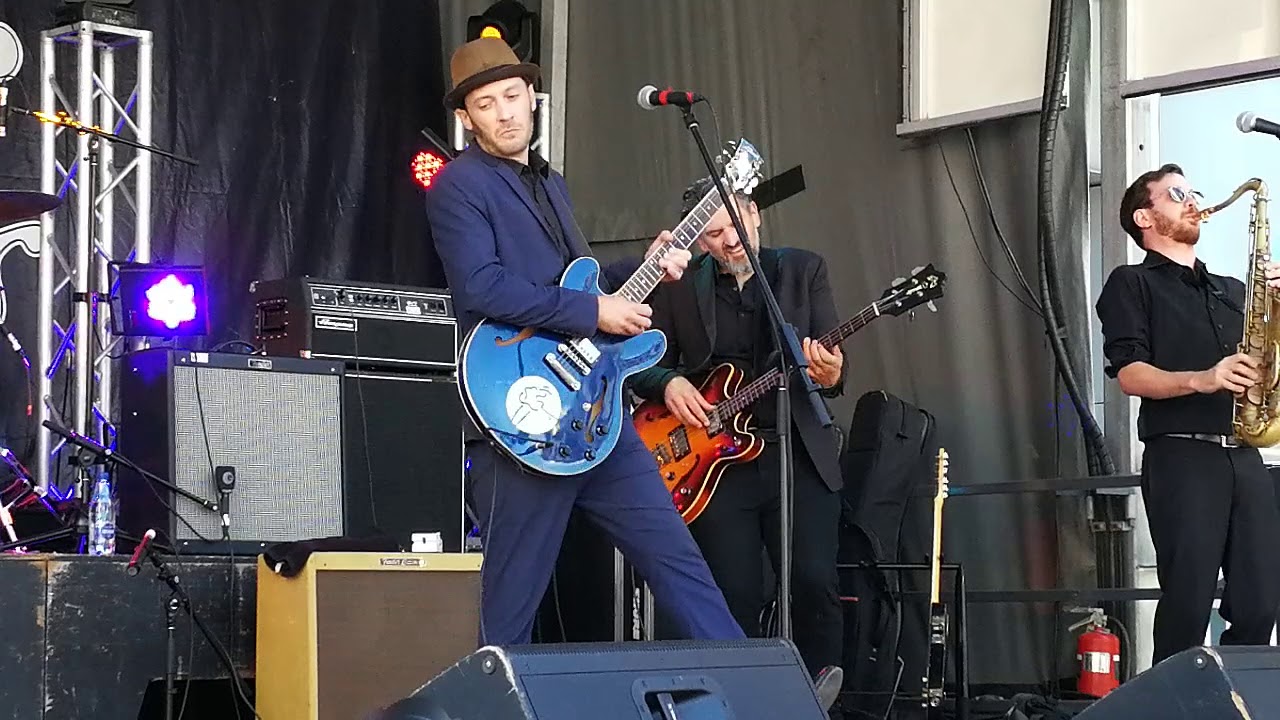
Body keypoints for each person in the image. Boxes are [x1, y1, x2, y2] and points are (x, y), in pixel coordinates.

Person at [423, 38, 748, 652]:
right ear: (467, 119)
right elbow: (481, 285)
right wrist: (596, 308)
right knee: (508, 604)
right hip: (525, 413)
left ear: (533, 100)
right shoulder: (458, 187)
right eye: (487, 104)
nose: (505, 113)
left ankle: (756, 685)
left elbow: (574, 276)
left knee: (675, 557)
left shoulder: (554, 185)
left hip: (594, 413)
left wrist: (644, 263)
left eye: (513, 97)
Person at [629, 177, 846, 686]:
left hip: (797, 451)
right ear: (696, 242)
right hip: (715, 464)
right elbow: (638, 363)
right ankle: (739, 698)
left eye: (735, 225)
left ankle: (819, 698)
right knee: (732, 591)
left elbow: (832, 366)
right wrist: (669, 381)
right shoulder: (678, 285)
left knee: (814, 581)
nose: (728, 242)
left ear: (756, 215)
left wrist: (832, 374)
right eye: (712, 235)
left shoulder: (801, 270)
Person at [1096, 163, 1280, 665]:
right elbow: (1130, 374)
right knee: (1188, 602)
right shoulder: (1130, 282)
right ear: (1144, 217)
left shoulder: (1233, 290)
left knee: (1260, 604)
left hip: (1244, 455)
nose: (1192, 199)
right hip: (1181, 457)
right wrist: (1205, 378)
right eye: (1176, 193)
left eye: (1192, 191)